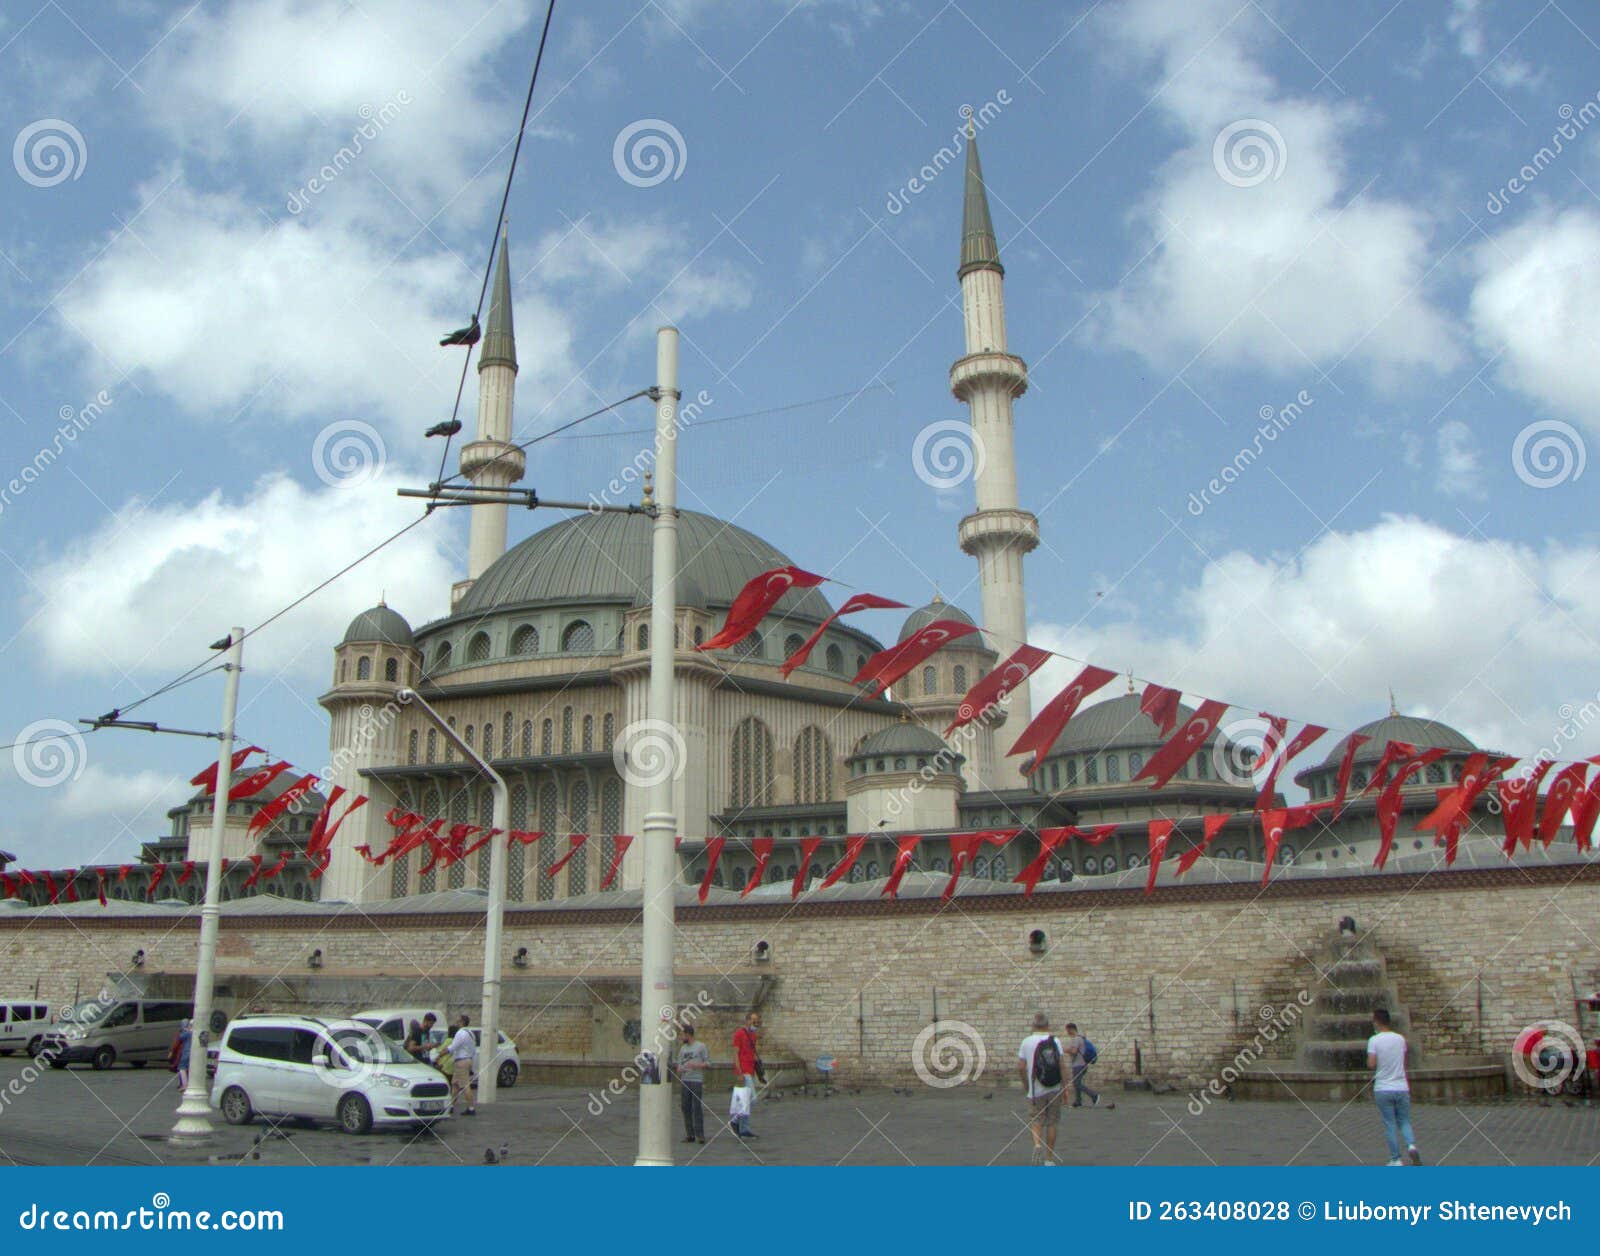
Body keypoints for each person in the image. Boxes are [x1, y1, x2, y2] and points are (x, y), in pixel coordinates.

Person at [1367, 1007, 1420, 1165]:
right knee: (1404, 1121)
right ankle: (1411, 1146)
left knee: (1389, 1124)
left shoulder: (1374, 1040)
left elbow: (1371, 1064)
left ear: (1377, 1022)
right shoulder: (1400, 1039)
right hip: (1402, 1086)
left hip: (1383, 1088)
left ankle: (1396, 1159)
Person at [1017, 1012, 1066, 1166]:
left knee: (1036, 1120)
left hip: (1035, 1090)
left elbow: (1021, 1067)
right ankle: (1049, 1159)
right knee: (1052, 1122)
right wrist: (1066, 1087)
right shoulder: (1055, 1041)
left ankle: (1037, 1144)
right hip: (1054, 1087)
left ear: (1033, 1025)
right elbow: (1062, 1065)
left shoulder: (1026, 1042)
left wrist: (1026, 1085)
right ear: (1047, 1025)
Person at [1062, 1022, 1113, 1109]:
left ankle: (1094, 1096)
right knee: (1077, 1083)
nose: (1067, 1032)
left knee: (1077, 1083)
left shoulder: (1076, 1039)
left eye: (1067, 1030)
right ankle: (1078, 1101)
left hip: (1078, 1064)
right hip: (1082, 1064)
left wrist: (1064, 1050)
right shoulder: (1081, 1038)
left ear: (1071, 1029)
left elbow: (1074, 1051)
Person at [731, 1012, 763, 1139]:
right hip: (743, 1071)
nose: (756, 1024)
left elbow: (753, 1054)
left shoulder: (753, 1035)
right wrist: (739, 1072)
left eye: (757, 1021)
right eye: (754, 1021)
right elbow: (735, 1054)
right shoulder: (739, 1033)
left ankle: (743, 1128)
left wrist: (760, 1074)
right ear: (748, 1020)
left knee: (744, 1100)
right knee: (752, 1099)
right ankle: (735, 1121)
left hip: (750, 1070)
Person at [676, 1024, 710, 1143]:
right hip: (685, 1080)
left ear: (688, 1034)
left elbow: (707, 1063)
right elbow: (679, 1065)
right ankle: (690, 1134)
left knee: (697, 1107)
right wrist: (680, 1069)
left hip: (696, 1080)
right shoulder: (682, 1049)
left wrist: (696, 1065)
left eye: (682, 1034)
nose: (681, 1037)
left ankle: (700, 1135)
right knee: (686, 1107)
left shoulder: (701, 1047)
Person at [448, 1014, 477, 1117]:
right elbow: (474, 1050)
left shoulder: (460, 1033)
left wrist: (442, 1053)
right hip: (468, 1059)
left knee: (465, 1085)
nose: (456, 1022)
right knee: (455, 1084)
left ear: (462, 1022)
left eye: (458, 1021)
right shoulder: (471, 1034)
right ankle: (450, 1106)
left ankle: (471, 1108)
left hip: (461, 1061)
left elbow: (453, 1047)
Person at [169, 1019, 192, 1092]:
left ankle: (185, 1085)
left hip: (186, 1053)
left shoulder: (187, 1033)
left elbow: (178, 1039)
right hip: (191, 1053)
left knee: (182, 1068)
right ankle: (186, 1084)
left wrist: (171, 1052)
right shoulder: (193, 1033)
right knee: (188, 1069)